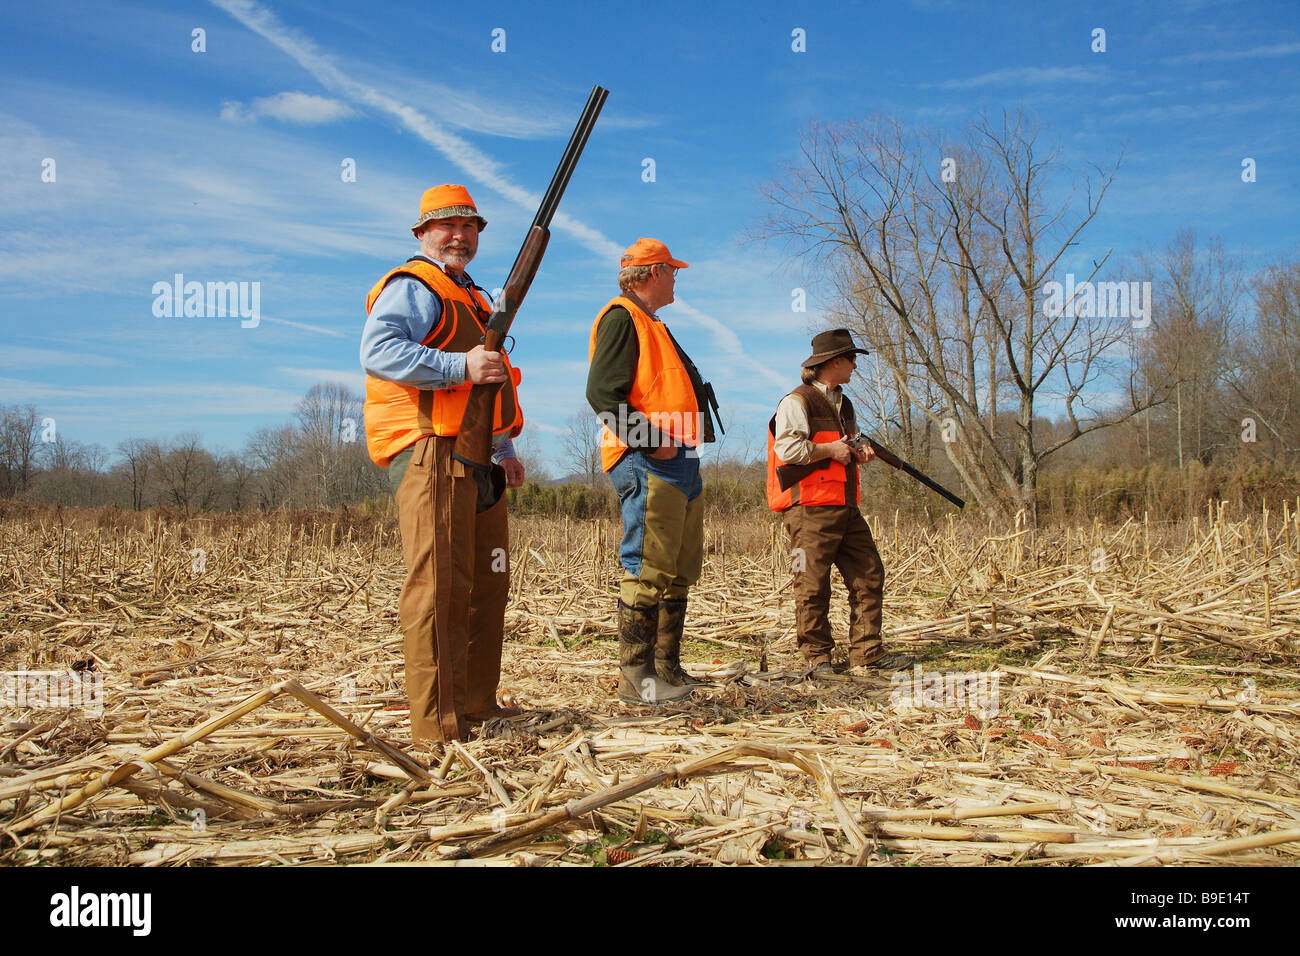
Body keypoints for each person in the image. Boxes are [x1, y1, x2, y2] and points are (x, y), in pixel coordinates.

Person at [360, 184, 525, 745]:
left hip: (481, 459)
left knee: (488, 582)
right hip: (432, 451)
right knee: (437, 587)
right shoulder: (415, 285)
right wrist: (460, 366)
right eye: (446, 226)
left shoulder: (472, 294)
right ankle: (437, 726)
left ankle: (478, 704)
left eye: (470, 226)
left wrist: (504, 449)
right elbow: (379, 351)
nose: (460, 236)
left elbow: (490, 384)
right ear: (422, 234)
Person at [586, 238, 721, 704]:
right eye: (672, 271)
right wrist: (653, 441)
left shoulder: (653, 324)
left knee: (679, 568)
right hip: (650, 459)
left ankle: (666, 669)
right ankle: (636, 682)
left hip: (681, 460)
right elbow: (604, 394)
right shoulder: (622, 316)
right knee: (647, 567)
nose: (676, 279)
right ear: (651, 273)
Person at [766, 329, 910, 677]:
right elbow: (788, 450)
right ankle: (818, 659)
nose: (855, 366)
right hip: (809, 509)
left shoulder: (844, 403)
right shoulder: (796, 402)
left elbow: (838, 451)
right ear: (833, 362)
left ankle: (867, 653)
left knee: (869, 574)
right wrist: (832, 450)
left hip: (845, 506)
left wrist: (857, 456)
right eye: (851, 359)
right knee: (812, 583)